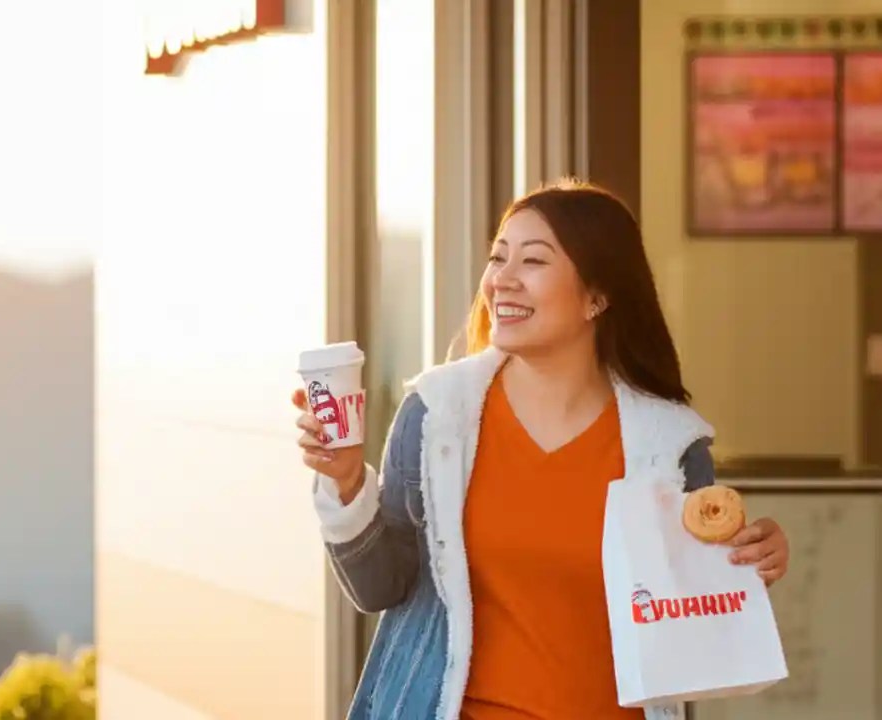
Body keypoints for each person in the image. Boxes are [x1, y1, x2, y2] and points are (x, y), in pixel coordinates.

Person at [292, 180, 790, 720]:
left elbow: (692, 617)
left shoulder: (668, 443)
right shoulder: (439, 416)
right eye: (497, 258)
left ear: (597, 297)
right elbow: (379, 587)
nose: (501, 280)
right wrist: (345, 483)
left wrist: (750, 561)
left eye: (532, 261)